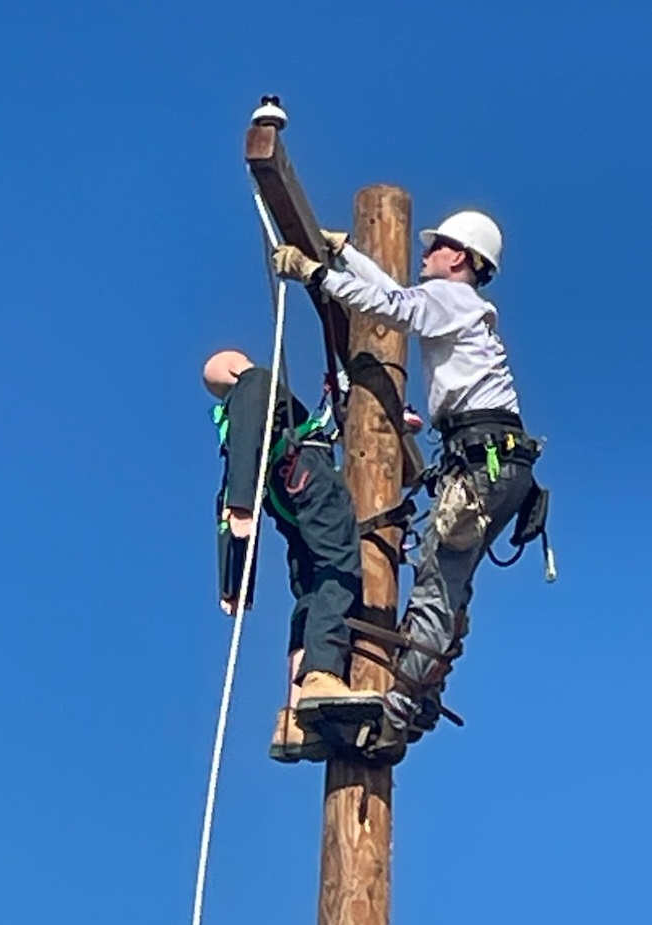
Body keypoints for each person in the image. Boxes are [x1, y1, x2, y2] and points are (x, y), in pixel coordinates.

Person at [272, 211, 540, 762]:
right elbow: (396, 294)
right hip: (499, 465)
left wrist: (316, 275)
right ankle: (420, 693)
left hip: (482, 461)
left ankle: (395, 708)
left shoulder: (454, 300)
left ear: (458, 257)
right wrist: (346, 256)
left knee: (436, 587)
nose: (426, 256)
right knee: (450, 587)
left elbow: (395, 308)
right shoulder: (458, 305)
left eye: (435, 247)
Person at [203, 349, 380, 763]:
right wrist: (243, 505)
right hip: (307, 478)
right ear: (235, 368)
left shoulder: (227, 425)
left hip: (285, 502)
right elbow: (236, 483)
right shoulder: (255, 385)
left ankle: (295, 714)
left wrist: (234, 579)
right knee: (339, 563)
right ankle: (322, 675)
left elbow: (225, 492)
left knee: (309, 591)